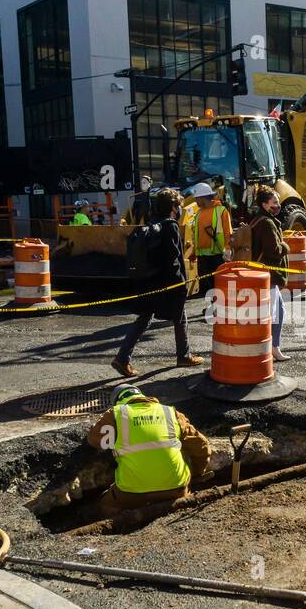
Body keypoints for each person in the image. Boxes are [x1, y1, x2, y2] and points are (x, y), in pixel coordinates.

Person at [111, 188, 203, 377]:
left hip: (149, 281)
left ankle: (122, 358)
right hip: (166, 283)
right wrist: (181, 286)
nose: (179, 210)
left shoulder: (151, 224)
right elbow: (174, 259)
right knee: (179, 316)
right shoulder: (170, 225)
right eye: (178, 206)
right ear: (172, 207)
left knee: (145, 317)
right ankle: (183, 356)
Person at [86, 384, 211, 513]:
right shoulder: (170, 412)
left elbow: (94, 441)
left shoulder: (115, 413)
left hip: (131, 493)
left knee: (105, 505)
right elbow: (202, 446)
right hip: (176, 489)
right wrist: (197, 473)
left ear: (117, 402)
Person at [249, 184, 290, 361]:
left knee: (279, 311)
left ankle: (274, 347)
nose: (278, 205)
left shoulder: (258, 219)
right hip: (268, 275)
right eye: (275, 202)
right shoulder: (266, 223)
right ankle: (269, 348)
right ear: (265, 205)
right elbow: (273, 250)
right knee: (272, 315)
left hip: (265, 274)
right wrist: (285, 246)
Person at [188, 181, 231, 296]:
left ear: (203, 198)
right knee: (206, 287)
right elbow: (196, 234)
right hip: (202, 255)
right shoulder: (198, 213)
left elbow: (228, 232)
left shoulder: (221, 211)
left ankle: (217, 306)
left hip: (217, 254)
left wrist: (228, 249)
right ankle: (210, 305)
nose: (196, 201)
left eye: (197, 198)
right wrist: (194, 252)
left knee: (217, 285)